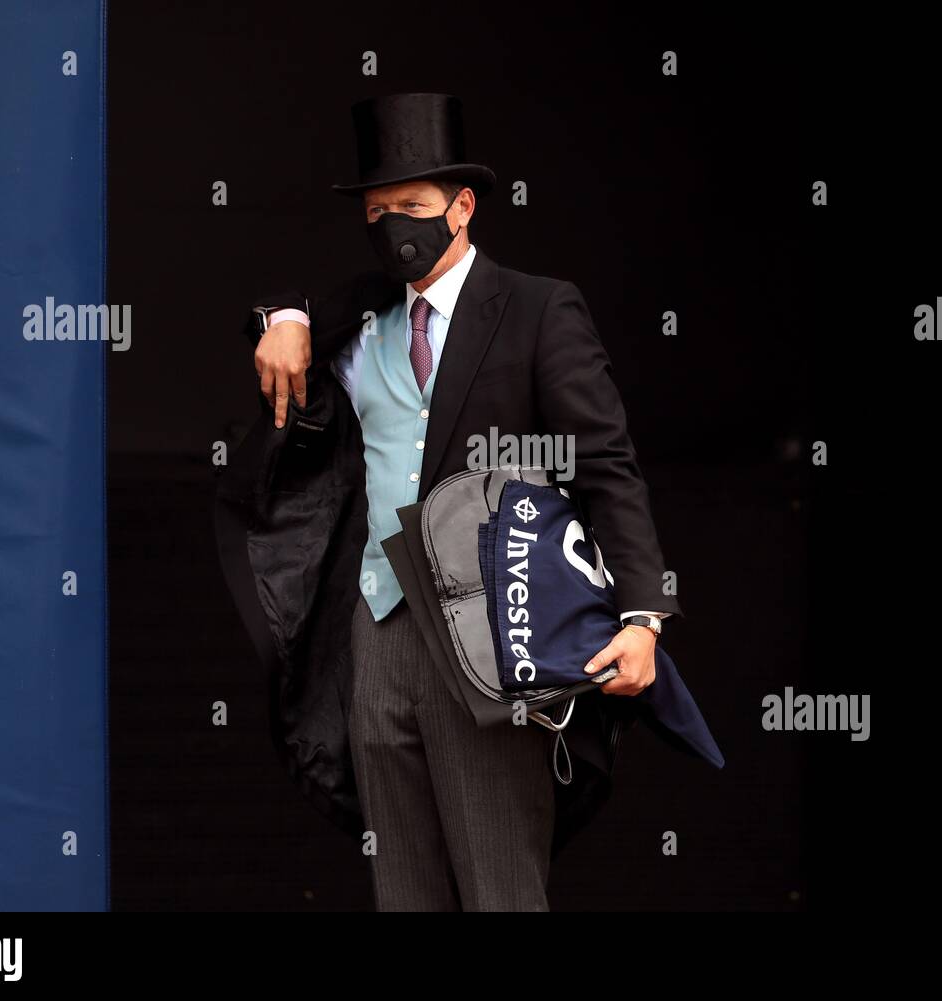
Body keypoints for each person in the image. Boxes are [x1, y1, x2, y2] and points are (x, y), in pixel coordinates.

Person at [231, 92, 680, 911]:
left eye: (412, 207)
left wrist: (644, 616)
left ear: (463, 207)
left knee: (500, 886)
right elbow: (293, 312)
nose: (393, 225)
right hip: (379, 632)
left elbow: (607, 465)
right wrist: (282, 316)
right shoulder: (362, 319)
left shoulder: (540, 309)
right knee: (403, 888)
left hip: (490, 633)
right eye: (378, 212)